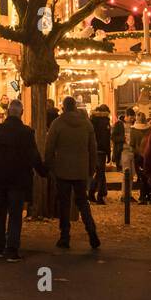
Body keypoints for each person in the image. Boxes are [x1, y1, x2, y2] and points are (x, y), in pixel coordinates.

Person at [0, 99, 47, 261]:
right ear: (21, 113)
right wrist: (43, 171)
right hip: (18, 178)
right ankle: (11, 250)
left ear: (8, 112)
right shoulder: (26, 132)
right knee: (15, 214)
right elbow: (33, 156)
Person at [44, 95, 101, 251]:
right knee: (83, 202)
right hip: (81, 169)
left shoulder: (57, 124)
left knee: (64, 204)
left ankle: (65, 236)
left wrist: (48, 165)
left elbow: (49, 147)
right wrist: (91, 168)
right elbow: (92, 148)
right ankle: (92, 232)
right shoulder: (86, 124)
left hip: (62, 169)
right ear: (75, 107)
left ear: (63, 107)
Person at [129, 111, 151, 203]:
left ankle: (143, 196)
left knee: (141, 176)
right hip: (149, 154)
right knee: (149, 175)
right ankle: (150, 196)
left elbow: (131, 144)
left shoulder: (133, 130)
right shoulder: (150, 129)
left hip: (138, 155)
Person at [89, 104, 112, 203]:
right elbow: (106, 139)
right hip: (101, 150)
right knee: (100, 173)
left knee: (99, 173)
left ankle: (93, 193)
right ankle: (99, 195)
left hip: (94, 149)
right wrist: (108, 152)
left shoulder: (92, 120)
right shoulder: (105, 121)